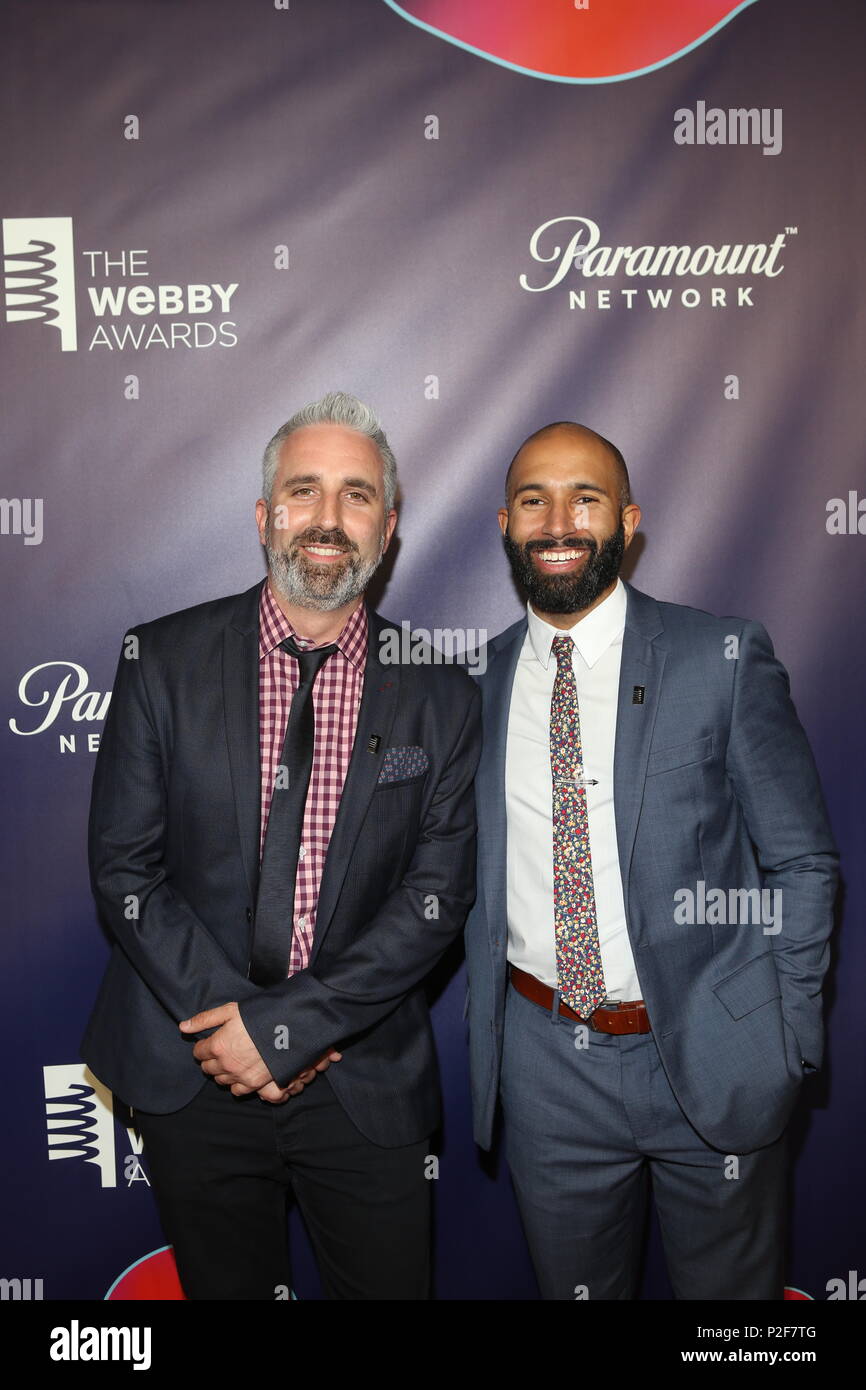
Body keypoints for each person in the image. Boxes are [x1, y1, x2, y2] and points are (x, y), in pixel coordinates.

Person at [81, 391, 481, 1300]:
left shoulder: (445, 694)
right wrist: (242, 1029)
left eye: (357, 495)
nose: (328, 519)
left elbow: (436, 899)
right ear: (265, 516)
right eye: (304, 491)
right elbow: (126, 870)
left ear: (390, 527)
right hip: (195, 1064)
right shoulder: (161, 661)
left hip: (361, 1075)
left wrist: (291, 1029)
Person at [464, 420, 838, 1300]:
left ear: (628, 522)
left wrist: (789, 1042)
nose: (558, 521)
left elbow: (804, 863)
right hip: (547, 1067)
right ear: (505, 524)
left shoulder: (721, 658)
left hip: (717, 1054)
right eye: (533, 500)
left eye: (584, 498)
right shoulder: (474, 684)